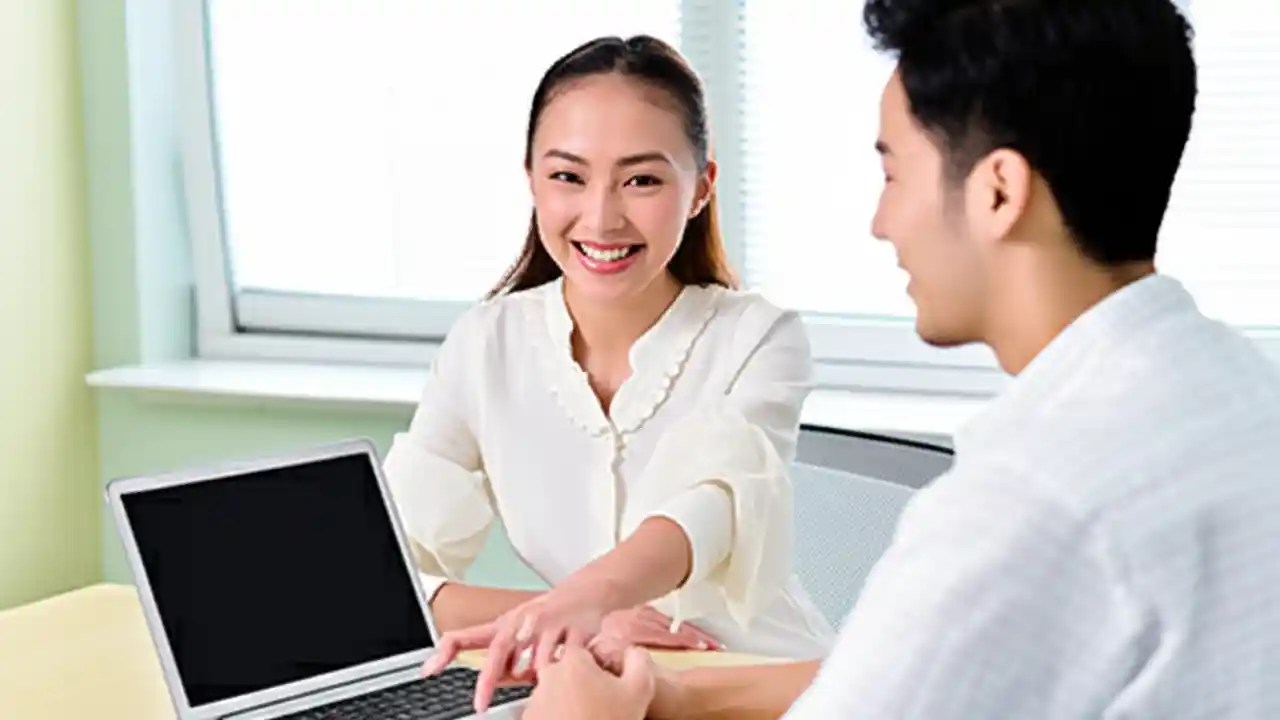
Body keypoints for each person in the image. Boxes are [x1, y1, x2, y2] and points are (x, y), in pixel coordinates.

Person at [522, 0, 1280, 718]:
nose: (882, 223)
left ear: (998, 192)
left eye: (893, 174)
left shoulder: (1028, 500)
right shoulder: (1232, 389)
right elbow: (895, 674)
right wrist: (689, 697)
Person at [387, 34, 834, 713]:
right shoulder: (484, 343)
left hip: (763, 686)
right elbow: (393, 573)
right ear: (532, 178)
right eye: (568, 176)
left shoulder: (760, 336)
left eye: (642, 180)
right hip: (596, 688)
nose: (601, 217)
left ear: (700, 188)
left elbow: (709, 510)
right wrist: (570, 617)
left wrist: (581, 604)